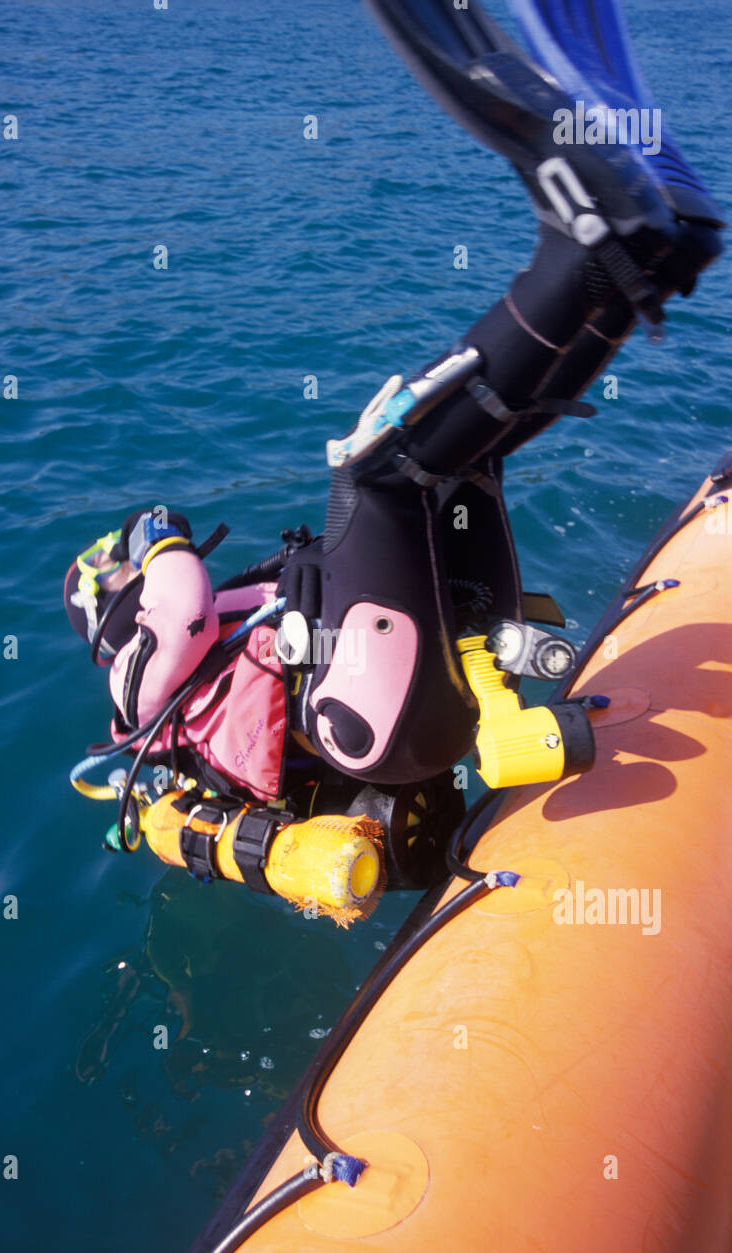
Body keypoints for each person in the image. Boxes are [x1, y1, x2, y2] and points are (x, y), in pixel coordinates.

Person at [65, 0, 723, 884]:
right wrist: (158, 538)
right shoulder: (137, 680)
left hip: (412, 709)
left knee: (463, 459)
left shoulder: (178, 737)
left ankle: (639, 261)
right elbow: (180, 600)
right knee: (378, 471)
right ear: (108, 609)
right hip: (372, 705)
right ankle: (582, 246)